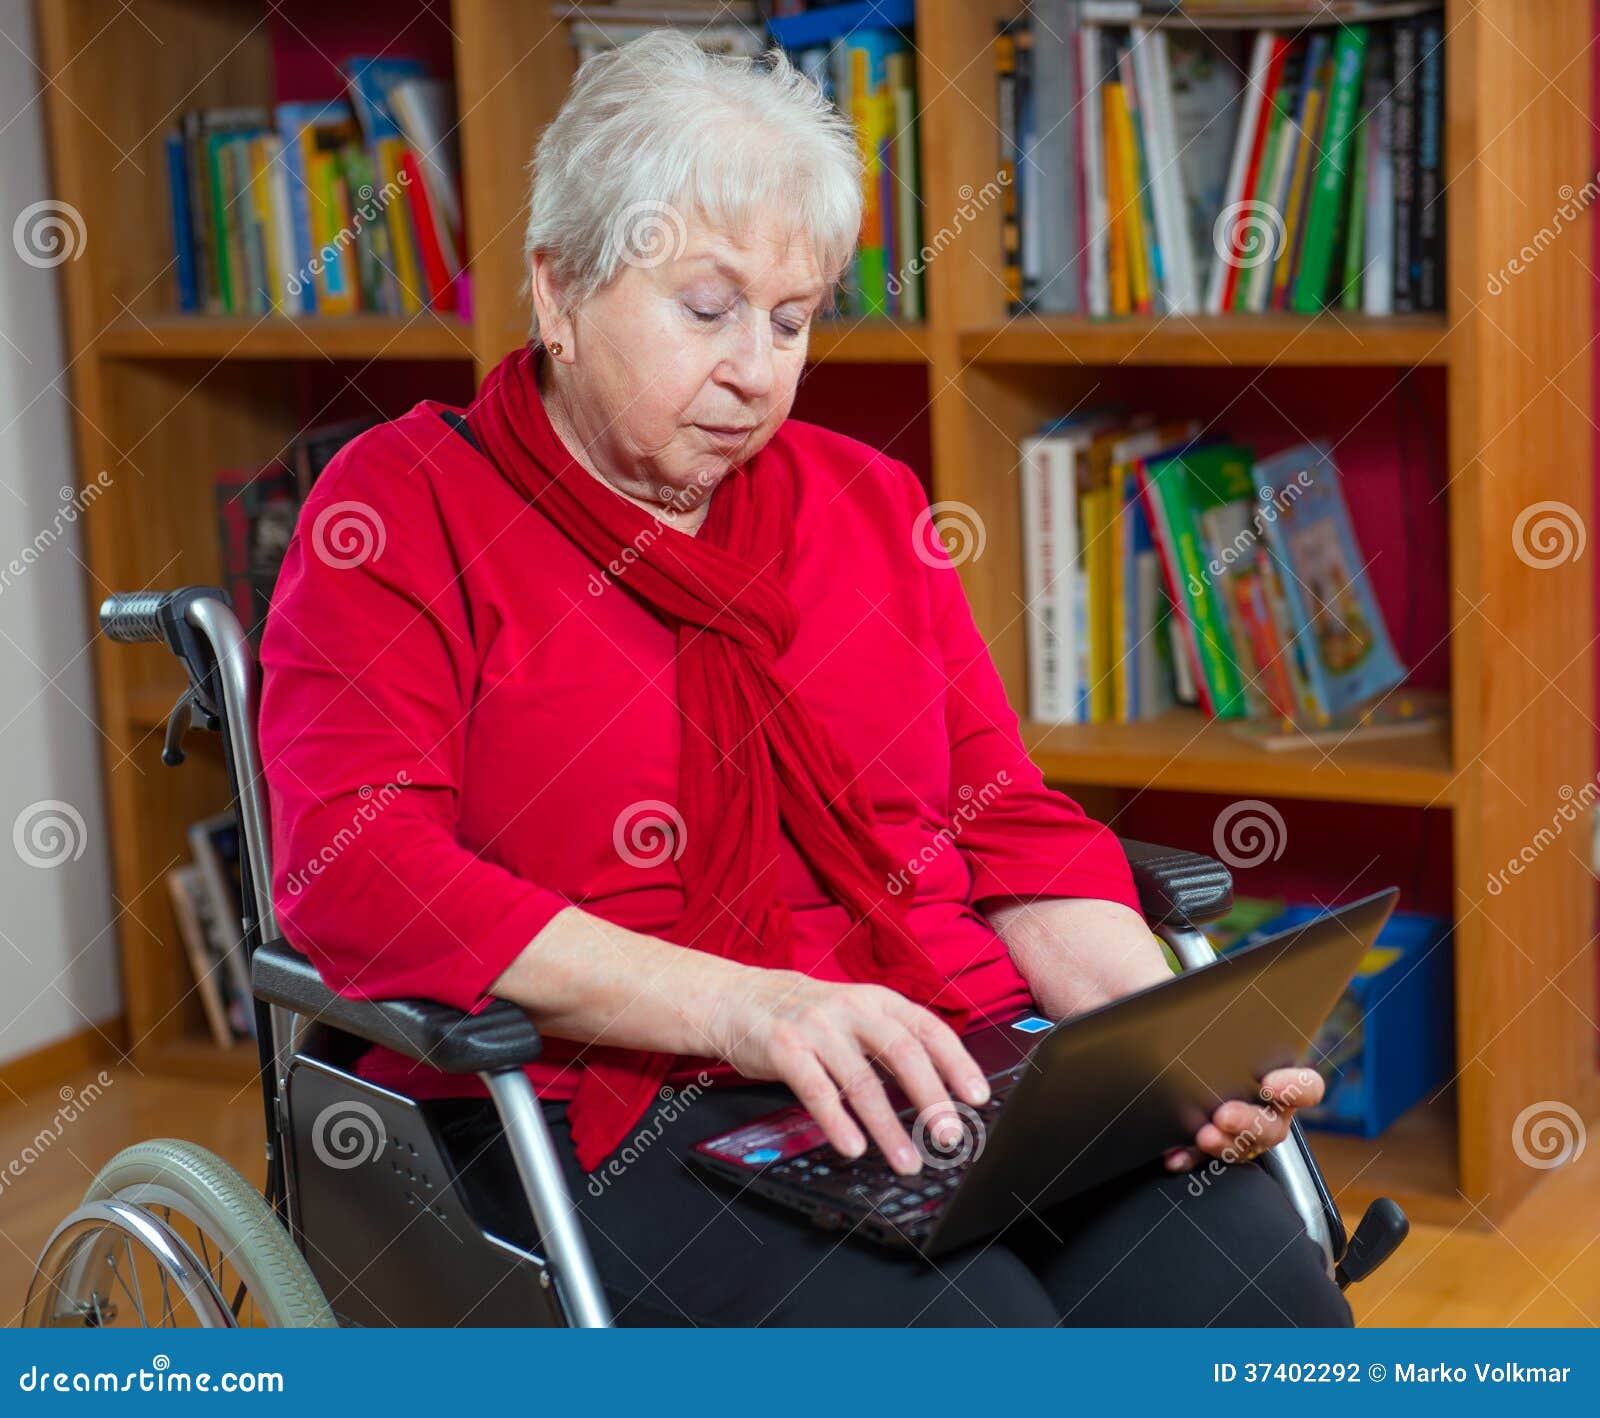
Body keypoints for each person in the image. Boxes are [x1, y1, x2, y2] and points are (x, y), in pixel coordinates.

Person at [258, 31, 1350, 1328]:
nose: (756, 369)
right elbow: (357, 863)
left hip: (941, 1047)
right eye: (707, 310)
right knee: (974, 1338)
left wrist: (1162, 1038)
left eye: (792, 318)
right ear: (557, 294)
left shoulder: (867, 501)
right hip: (596, 1098)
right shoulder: (403, 507)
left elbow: (999, 816)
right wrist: (755, 1007)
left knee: (1249, 1281)